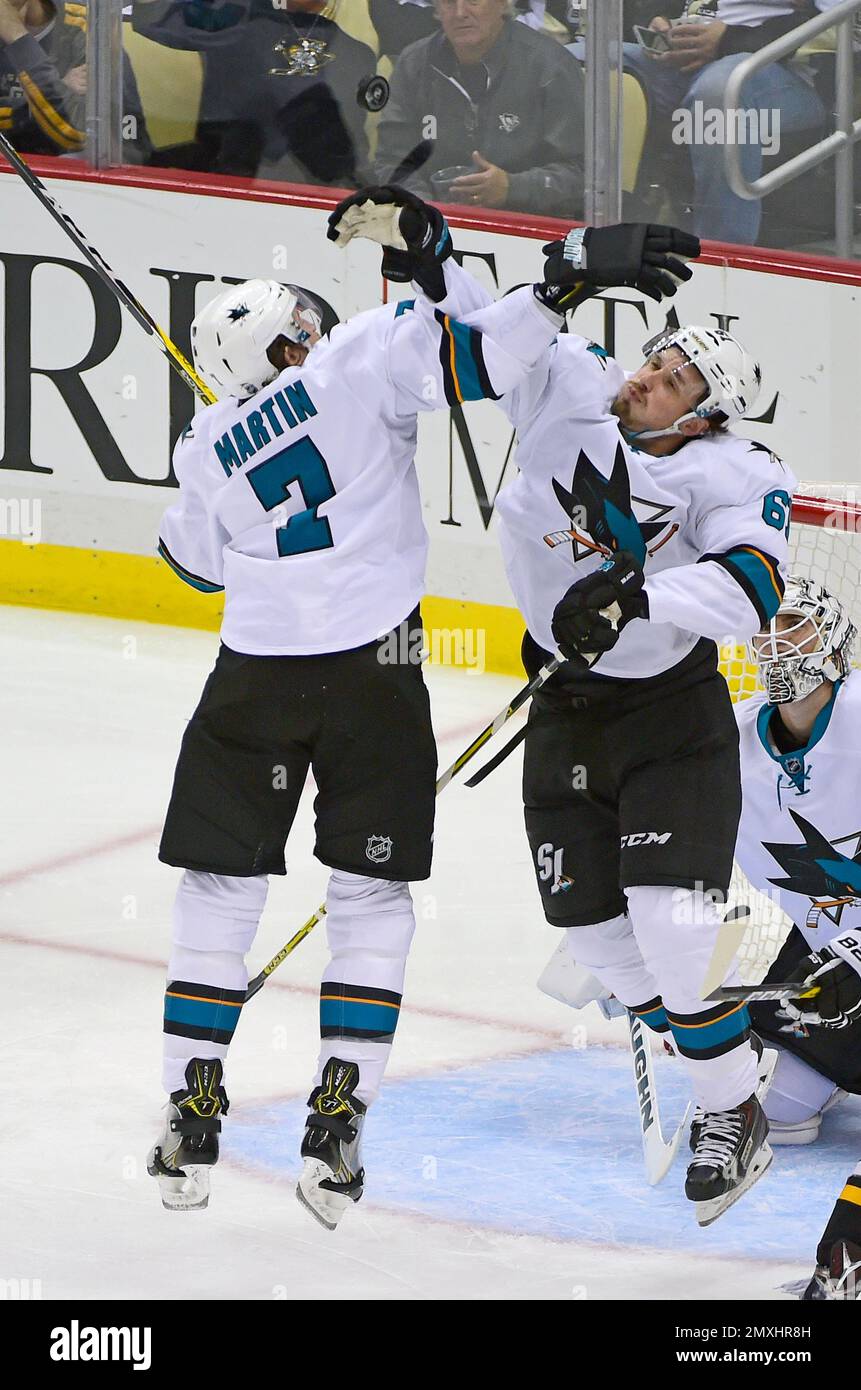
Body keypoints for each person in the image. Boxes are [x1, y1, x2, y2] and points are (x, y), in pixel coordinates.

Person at [146, 196, 574, 1230]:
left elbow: (191, 565)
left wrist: (226, 440)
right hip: (378, 668)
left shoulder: (204, 446)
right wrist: (557, 287)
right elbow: (484, 360)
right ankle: (340, 1110)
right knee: (372, 892)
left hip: (255, 677)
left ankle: (191, 1101)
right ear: (295, 334)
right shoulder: (357, 359)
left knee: (220, 884)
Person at [384, 218, 795, 1223]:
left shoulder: (735, 474)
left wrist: (635, 600)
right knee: (589, 928)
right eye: (657, 358)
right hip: (567, 702)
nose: (651, 378)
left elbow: (751, 588)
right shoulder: (574, 385)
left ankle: (733, 1108)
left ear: (706, 419)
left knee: (667, 916)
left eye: (678, 382)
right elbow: (482, 344)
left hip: (669, 711)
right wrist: (446, 260)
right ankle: (694, 1017)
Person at [731, 579, 861, 1295]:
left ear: (834, 646)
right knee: (772, 1114)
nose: (778, 645)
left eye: (798, 629)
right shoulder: (732, 738)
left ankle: (847, 1258)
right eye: (768, 628)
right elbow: (678, 845)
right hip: (828, 957)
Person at [624, 0, 833, 245]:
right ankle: (594, 231)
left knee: (721, 90)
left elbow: (835, 25)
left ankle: (722, 254)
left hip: (783, 73)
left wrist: (728, 40)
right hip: (685, 60)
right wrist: (659, 18)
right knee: (590, 59)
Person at [374, 0, 585, 216]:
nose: (460, 13)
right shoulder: (413, 64)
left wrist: (513, 188)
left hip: (529, 226)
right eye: (448, 2)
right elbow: (393, 160)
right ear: (436, 10)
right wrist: (425, 210)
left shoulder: (551, 67)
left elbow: (585, 175)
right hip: (433, 222)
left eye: (473, 1)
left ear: (503, 5)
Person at [132, 0, 375, 184]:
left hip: (316, 195)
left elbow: (349, 156)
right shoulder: (235, 25)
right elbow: (152, 17)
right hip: (232, 188)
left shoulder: (356, 54)